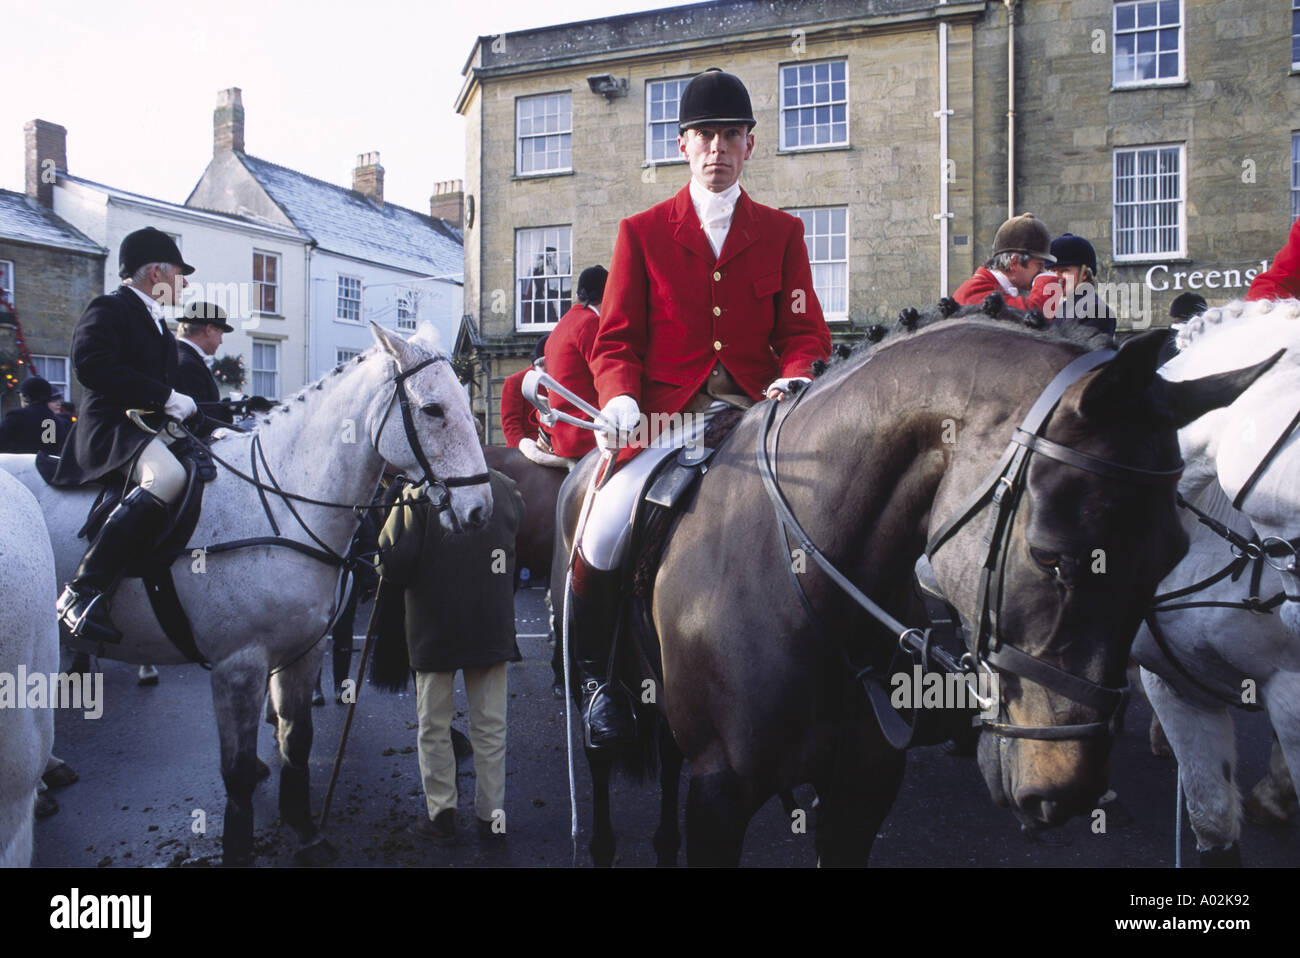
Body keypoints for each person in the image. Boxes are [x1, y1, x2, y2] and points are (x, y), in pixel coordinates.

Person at [575, 68, 831, 748]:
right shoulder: (642, 232)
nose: (717, 148)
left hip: (756, 414)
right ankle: (597, 679)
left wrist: (797, 377)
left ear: (751, 144)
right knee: (601, 526)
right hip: (664, 420)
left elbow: (803, 331)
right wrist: (620, 395)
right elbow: (617, 338)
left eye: (730, 135)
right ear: (682, 145)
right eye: (704, 135)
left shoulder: (782, 233)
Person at [52, 226, 198, 643]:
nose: (183, 282)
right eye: (179, 273)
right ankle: (81, 591)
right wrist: (166, 395)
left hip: (147, 429)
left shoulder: (158, 324)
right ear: (156, 272)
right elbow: (91, 365)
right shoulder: (110, 309)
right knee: (168, 478)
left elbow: (167, 399)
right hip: (110, 430)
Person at [376, 469, 525, 844]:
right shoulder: (505, 488)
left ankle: (441, 813)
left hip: (433, 628)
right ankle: (491, 815)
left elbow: (393, 563)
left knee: (434, 726)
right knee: (490, 727)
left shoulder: (418, 493)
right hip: (489, 625)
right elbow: (514, 532)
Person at [538, 264, 608, 462]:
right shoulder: (590, 323)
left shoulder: (563, 324)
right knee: (657, 431)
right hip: (585, 433)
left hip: (562, 431)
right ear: (609, 295)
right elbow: (605, 377)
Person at [953, 213, 1058, 312]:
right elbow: (1032, 316)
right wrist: (1047, 284)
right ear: (1014, 262)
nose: (1042, 270)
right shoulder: (975, 292)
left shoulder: (988, 285)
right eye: (1039, 264)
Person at [174, 300, 235, 437]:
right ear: (208, 329)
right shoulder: (187, 364)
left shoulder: (183, 355)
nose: (221, 341)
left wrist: (228, 406)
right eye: (220, 334)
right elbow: (200, 419)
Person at [1044, 233, 1116, 337]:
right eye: (1052, 270)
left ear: (1085, 274)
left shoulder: (1096, 311)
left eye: (1064, 270)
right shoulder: (1051, 306)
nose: (1056, 277)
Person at [0, 375, 71, 453]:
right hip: (46, 464)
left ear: (26, 398)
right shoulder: (57, 421)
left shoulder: (16, 416)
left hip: (18, 464)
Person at [499, 335, 546, 448]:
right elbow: (511, 424)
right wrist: (526, 448)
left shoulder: (559, 380)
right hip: (526, 450)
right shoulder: (515, 382)